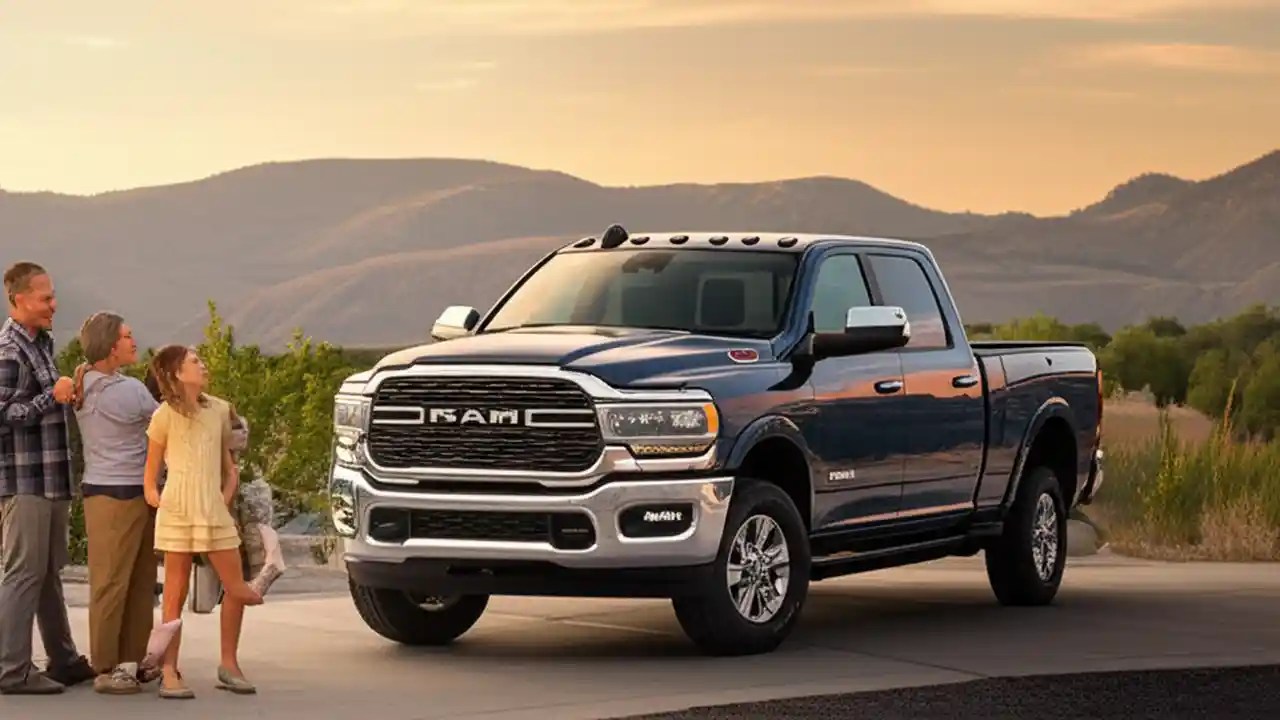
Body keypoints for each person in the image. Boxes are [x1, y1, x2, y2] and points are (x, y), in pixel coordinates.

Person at [143, 344, 263, 700]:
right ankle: (169, 670)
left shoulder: (221, 410)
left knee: (236, 586)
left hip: (212, 510)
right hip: (178, 511)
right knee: (174, 597)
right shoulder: (163, 415)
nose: (203, 364)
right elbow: (149, 478)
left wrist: (222, 499)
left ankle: (229, 664)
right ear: (177, 373)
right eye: (195, 361)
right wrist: (159, 501)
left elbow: (230, 470)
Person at [0, 261, 96, 695]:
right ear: (19, 300)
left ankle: (64, 660)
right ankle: (11, 671)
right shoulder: (8, 351)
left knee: (47, 572)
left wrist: (63, 396)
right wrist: (47, 398)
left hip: (52, 481)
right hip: (25, 482)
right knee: (23, 573)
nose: (54, 305)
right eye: (45, 298)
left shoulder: (40, 345)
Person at [71, 311, 161, 694]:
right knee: (126, 583)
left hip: (104, 492)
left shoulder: (84, 383)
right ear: (111, 346)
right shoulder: (127, 391)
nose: (133, 340)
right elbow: (165, 423)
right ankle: (109, 667)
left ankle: (127, 662)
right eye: (126, 336)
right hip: (127, 492)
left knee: (123, 580)